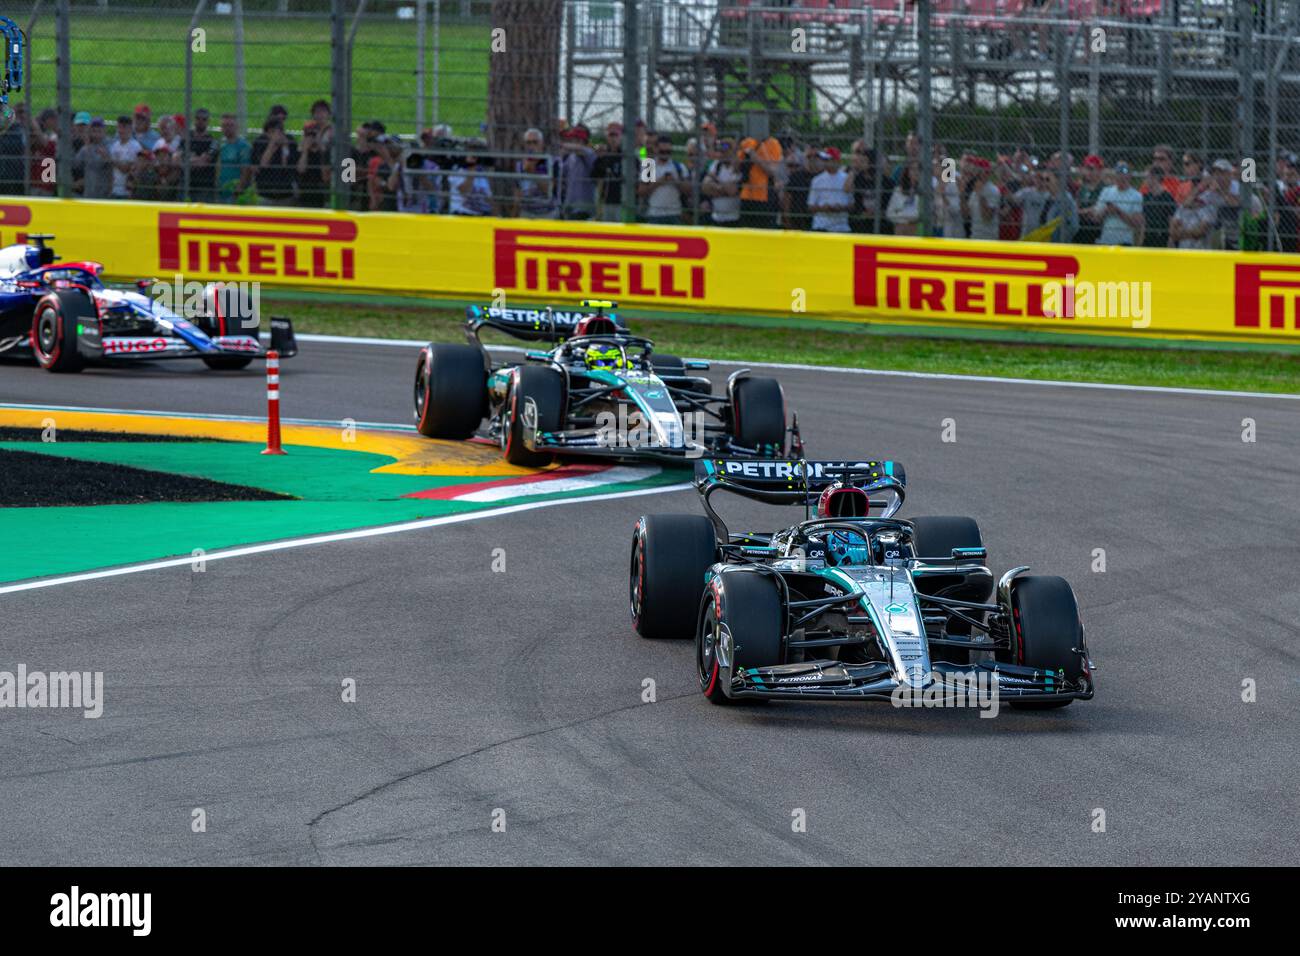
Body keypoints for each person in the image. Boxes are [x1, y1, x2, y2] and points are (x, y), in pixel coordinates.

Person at [1087, 161, 1143, 245]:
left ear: (1129, 176)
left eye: (1124, 173)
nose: (1121, 176)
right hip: (1105, 241)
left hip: (1124, 242)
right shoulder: (1106, 191)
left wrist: (1118, 211)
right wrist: (1106, 211)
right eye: (1119, 173)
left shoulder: (1136, 195)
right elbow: (1095, 219)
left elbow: (1136, 223)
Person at [639, 134, 689, 225]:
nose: (665, 154)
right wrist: (658, 182)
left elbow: (688, 191)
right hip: (654, 214)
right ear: (656, 149)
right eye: (662, 151)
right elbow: (641, 191)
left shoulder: (679, 167)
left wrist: (675, 181)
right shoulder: (649, 166)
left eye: (668, 151)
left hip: (674, 214)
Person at [252, 116, 299, 205]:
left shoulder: (290, 142)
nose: (275, 136)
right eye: (271, 132)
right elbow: (263, 164)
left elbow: (287, 165)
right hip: (265, 193)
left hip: (286, 193)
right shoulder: (260, 142)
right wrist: (272, 145)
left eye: (277, 132)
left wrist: (284, 147)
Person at [737, 134, 782, 228]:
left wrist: (754, 155)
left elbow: (772, 170)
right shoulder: (747, 142)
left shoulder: (772, 143)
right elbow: (737, 166)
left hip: (765, 195)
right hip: (747, 195)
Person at [555, 124, 597, 219]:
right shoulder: (571, 156)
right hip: (569, 204)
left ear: (582, 141)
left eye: (574, 139)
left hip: (584, 207)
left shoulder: (589, 153)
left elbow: (581, 149)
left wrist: (560, 145)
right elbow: (561, 173)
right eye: (571, 139)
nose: (571, 142)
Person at [513, 127, 555, 219]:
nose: (531, 146)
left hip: (547, 214)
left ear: (542, 144)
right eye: (528, 142)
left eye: (535, 142)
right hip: (526, 213)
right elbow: (518, 192)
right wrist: (514, 215)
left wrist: (532, 172)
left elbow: (549, 191)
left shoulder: (551, 162)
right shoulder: (519, 165)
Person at [807, 147, 851, 233]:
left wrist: (841, 208)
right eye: (824, 160)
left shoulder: (846, 179)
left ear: (836, 161)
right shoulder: (817, 180)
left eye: (828, 160)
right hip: (821, 226)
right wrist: (823, 208)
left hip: (841, 227)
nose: (825, 162)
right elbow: (810, 205)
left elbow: (852, 205)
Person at [844, 140, 884, 234]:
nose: (860, 162)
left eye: (864, 160)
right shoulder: (857, 176)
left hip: (877, 220)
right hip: (860, 220)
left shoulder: (881, 179)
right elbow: (846, 189)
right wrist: (854, 169)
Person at [700, 139, 742, 226]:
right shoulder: (716, 165)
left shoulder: (738, 167)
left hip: (734, 219)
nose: (722, 155)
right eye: (721, 152)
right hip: (716, 217)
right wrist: (723, 190)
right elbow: (705, 187)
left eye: (726, 152)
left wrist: (716, 181)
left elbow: (733, 190)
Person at [215, 112, 252, 203]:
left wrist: (238, 190)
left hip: (235, 194)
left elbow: (246, 171)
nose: (227, 128)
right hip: (222, 192)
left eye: (230, 125)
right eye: (224, 126)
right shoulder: (222, 145)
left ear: (236, 127)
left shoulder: (243, 146)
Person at [73, 117, 112, 199]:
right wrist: (87, 144)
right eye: (94, 131)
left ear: (104, 131)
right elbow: (76, 164)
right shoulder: (86, 147)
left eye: (99, 131)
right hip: (89, 193)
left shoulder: (110, 144)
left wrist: (106, 157)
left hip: (104, 193)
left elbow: (101, 164)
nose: (97, 134)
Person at [779, 145, 817, 230]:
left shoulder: (821, 176)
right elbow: (787, 198)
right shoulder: (796, 175)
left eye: (815, 157)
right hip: (796, 218)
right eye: (809, 157)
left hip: (815, 220)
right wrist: (787, 219)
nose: (812, 159)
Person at [593, 122, 625, 221]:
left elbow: (647, 179)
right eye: (611, 135)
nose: (613, 138)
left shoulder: (628, 155)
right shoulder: (604, 155)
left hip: (623, 202)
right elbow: (595, 177)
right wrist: (600, 158)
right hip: (607, 201)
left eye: (616, 135)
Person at [447, 146, 493, 215]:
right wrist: (471, 169)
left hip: (481, 216)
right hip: (461, 215)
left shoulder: (481, 175)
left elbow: (488, 197)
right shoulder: (457, 172)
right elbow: (465, 191)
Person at [296, 118, 331, 207]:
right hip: (304, 194)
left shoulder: (324, 152)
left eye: (313, 134)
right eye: (308, 134)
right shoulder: (300, 152)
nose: (311, 137)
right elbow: (301, 169)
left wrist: (319, 146)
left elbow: (326, 176)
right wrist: (305, 150)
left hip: (322, 193)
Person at [185, 107, 217, 202]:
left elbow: (203, 163)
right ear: (194, 120)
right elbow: (178, 159)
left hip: (204, 188)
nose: (200, 121)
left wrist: (190, 159)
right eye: (198, 118)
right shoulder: (186, 137)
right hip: (185, 185)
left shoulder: (213, 142)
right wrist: (197, 159)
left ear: (208, 122)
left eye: (204, 119)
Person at [965, 157, 1001, 240]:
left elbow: (987, 217)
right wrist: (962, 195)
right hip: (975, 236)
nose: (974, 172)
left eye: (977, 169)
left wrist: (980, 195)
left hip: (988, 238)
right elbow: (967, 215)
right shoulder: (974, 190)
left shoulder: (993, 190)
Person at [1074, 154, 1106, 245]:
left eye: (1091, 169)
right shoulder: (1082, 189)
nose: (1088, 172)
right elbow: (1075, 210)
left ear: (1099, 171)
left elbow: (1097, 214)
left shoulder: (1104, 189)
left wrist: (1082, 212)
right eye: (1086, 168)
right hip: (1080, 231)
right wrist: (1087, 211)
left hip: (1097, 233)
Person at [1141, 167, 1176, 248]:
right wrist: (1141, 240)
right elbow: (1144, 221)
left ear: (1155, 178)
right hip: (1148, 238)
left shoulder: (1167, 197)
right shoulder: (1146, 197)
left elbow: (1171, 220)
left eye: (1146, 177)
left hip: (1162, 238)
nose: (1144, 180)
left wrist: (1170, 240)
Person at [108, 115, 142, 199]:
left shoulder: (135, 146)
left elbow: (126, 169)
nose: (120, 130)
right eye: (119, 127)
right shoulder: (115, 145)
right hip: (114, 191)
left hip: (127, 193)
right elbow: (112, 171)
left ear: (130, 128)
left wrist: (110, 159)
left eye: (124, 127)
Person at [885, 162, 921, 235]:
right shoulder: (898, 191)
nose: (916, 172)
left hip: (916, 229)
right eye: (913, 169)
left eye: (918, 170)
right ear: (907, 172)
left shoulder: (923, 192)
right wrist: (904, 220)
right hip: (901, 227)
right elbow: (889, 214)